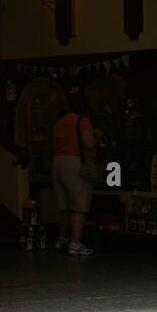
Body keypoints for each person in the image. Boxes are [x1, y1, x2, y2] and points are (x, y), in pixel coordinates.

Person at [51, 90, 98, 256]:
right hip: (75, 162)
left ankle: (62, 238)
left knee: (64, 206)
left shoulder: (61, 121)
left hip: (58, 162)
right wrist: (97, 136)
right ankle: (75, 243)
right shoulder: (83, 121)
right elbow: (89, 142)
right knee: (79, 205)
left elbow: (54, 144)